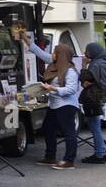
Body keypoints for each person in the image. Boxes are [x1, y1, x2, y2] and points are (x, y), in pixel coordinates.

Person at [24, 37, 81, 168]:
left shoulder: (70, 70)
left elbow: (72, 89)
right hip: (55, 104)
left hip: (67, 105)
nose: (52, 55)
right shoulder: (55, 64)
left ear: (61, 55)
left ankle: (69, 160)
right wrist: (24, 38)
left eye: (55, 53)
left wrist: (52, 88)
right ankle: (50, 156)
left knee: (68, 132)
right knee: (48, 129)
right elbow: (39, 52)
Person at [79, 42, 106, 164]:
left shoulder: (97, 64)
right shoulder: (100, 63)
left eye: (87, 51)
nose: (85, 53)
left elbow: (84, 80)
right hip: (97, 98)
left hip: (93, 98)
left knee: (95, 127)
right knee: (95, 126)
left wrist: (83, 66)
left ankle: (100, 154)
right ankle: (100, 152)